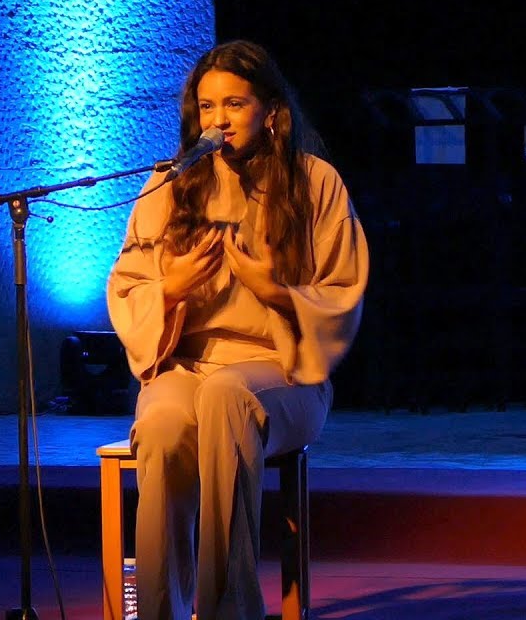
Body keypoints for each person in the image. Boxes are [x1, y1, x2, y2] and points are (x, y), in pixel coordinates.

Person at [107, 39, 369, 620]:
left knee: (227, 397)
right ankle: (155, 611)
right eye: (206, 107)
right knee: (164, 426)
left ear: (271, 112)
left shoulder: (314, 181)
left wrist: (277, 290)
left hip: (281, 374)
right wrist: (170, 288)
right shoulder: (169, 184)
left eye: (234, 104)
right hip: (188, 363)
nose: (218, 119)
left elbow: (343, 293)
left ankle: (229, 611)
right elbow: (127, 285)